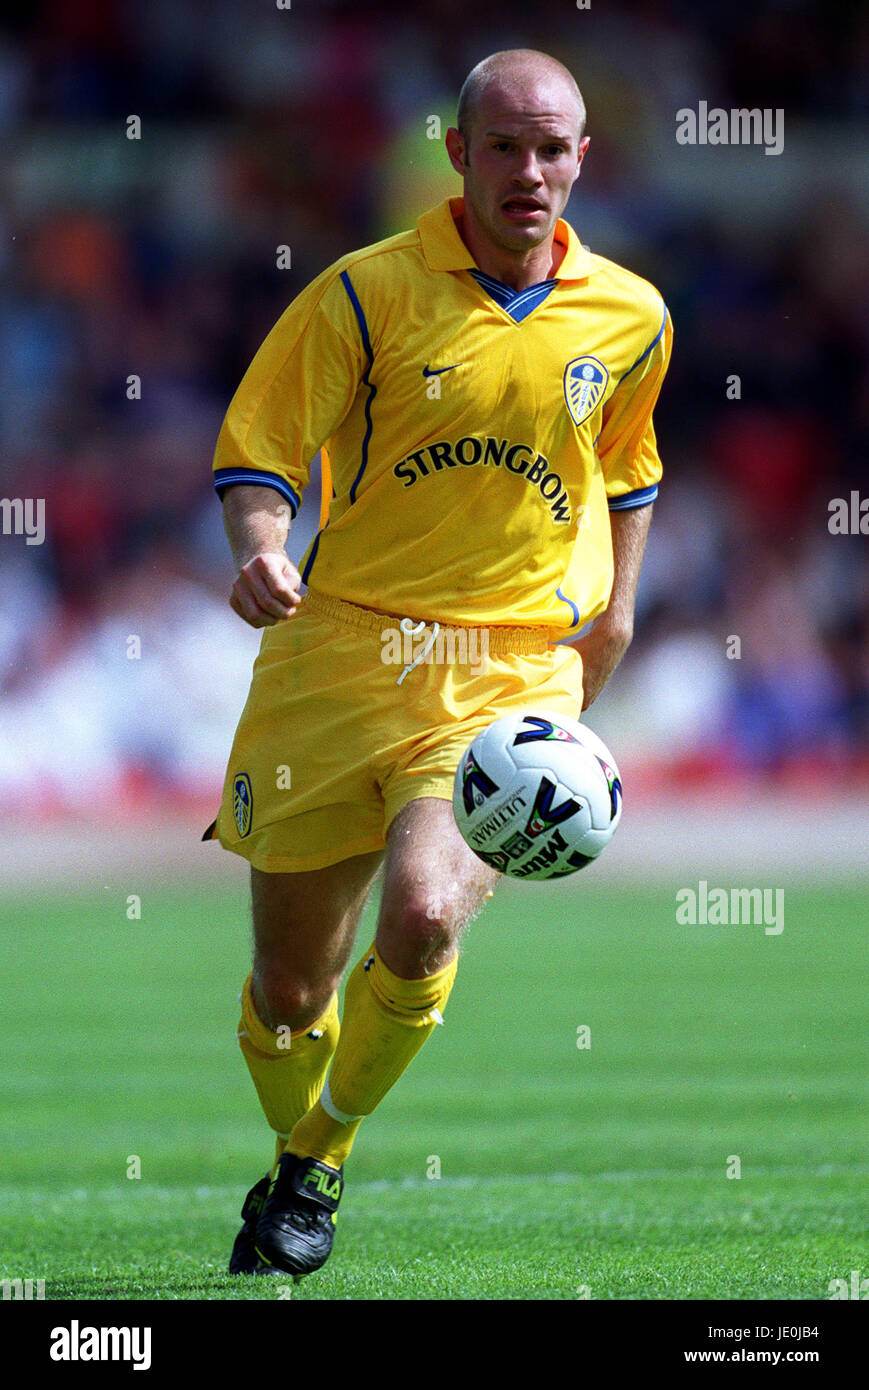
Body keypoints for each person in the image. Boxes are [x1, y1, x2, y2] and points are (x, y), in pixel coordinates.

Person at [203, 47, 672, 1281]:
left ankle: (316, 1162)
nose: (529, 171)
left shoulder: (631, 316)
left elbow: (626, 466)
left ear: (583, 157)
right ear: (457, 154)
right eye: (503, 147)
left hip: (508, 667)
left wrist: (617, 607)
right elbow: (258, 449)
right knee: (291, 992)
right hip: (340, 654)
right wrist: (259, 547)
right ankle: (307, 1151)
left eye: (552, 147)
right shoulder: (363, 294)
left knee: (420, 915)